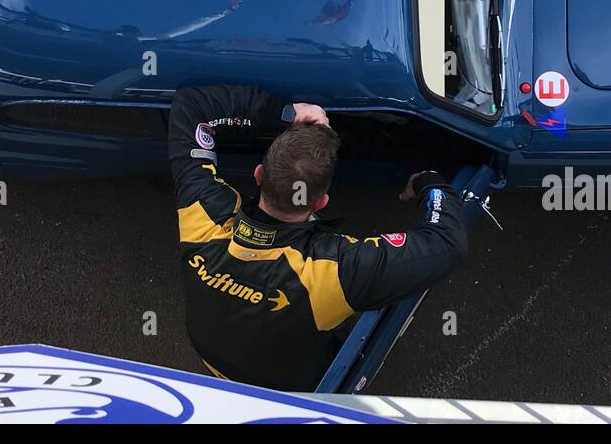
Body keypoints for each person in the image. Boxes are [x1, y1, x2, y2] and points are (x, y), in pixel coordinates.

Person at [168, 83, 469, 391]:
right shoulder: (330, 274)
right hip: (287, 389)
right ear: (322, 201)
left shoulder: (204, 217)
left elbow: (190, 104)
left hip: (208, 355)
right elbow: (447, 244)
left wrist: (285, 113)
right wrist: (431, 183)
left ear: (259, 174)